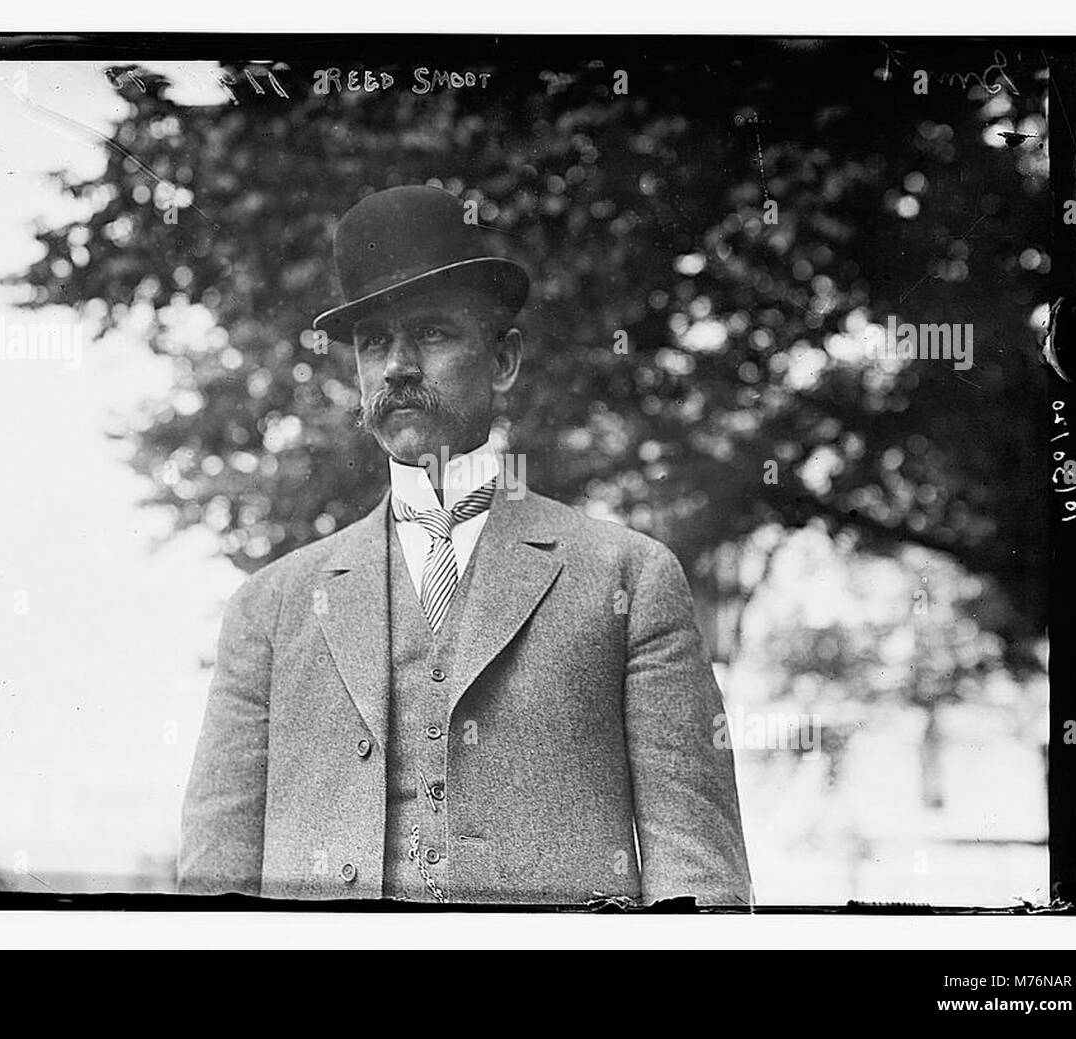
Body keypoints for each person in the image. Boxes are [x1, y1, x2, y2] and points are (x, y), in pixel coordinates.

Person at [179, 184, 752, 905]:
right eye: (374, 342)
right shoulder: (269, 609)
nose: (397, 366)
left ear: (504, 360)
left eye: (432, 333)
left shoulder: (629, 579)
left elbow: (697, 875)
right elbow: (212, 891)